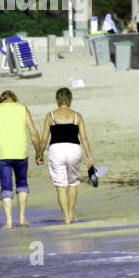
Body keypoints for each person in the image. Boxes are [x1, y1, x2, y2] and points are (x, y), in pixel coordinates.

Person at [0, 89, 43, 230]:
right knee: (22, 184)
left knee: (6, 187)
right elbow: (33, 133)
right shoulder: (22, 108)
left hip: (3, 154)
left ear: (2, 100)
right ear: (14, 99)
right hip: (21, 152)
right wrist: (39, 152)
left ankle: (9, 222)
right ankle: (22, 218)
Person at [38, 86, 95, 225]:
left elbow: (44, 139)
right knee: (73, 182)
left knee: (60, 185)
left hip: (56, 150)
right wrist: (89, 156)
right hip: (74, 149)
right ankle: (71, 213)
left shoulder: (50, 116)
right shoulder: (77, 116)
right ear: (70, 99)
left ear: (58, 100)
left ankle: (66, 217)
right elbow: (84, 138)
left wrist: (39, 153)